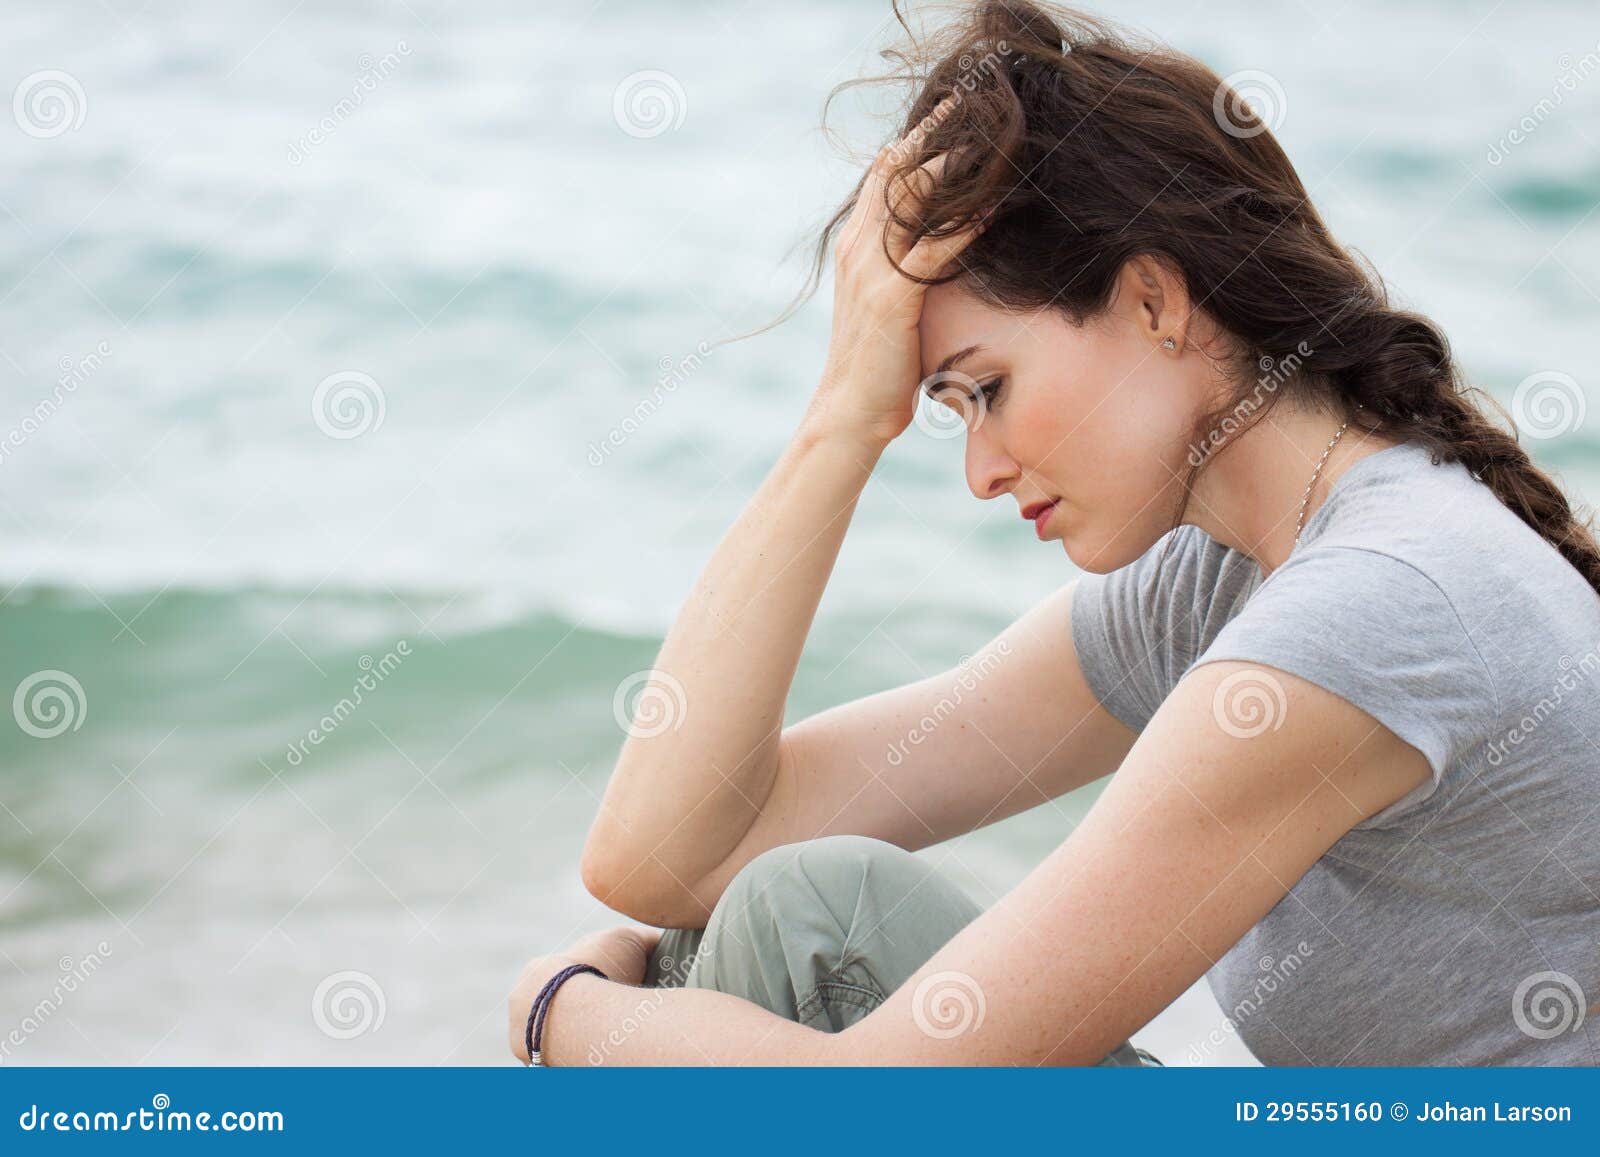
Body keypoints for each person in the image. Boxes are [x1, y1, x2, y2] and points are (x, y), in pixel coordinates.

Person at [508, 0, 1600, 1066]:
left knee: (768, 966)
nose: (980, 471)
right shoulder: (1220, 585)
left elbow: (883, 1096)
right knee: (789, 905)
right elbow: (661, 854)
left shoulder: (1374, 602)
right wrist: (841, 422)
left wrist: (559, 1010)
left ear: (1153, 303)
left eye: (983, 388)